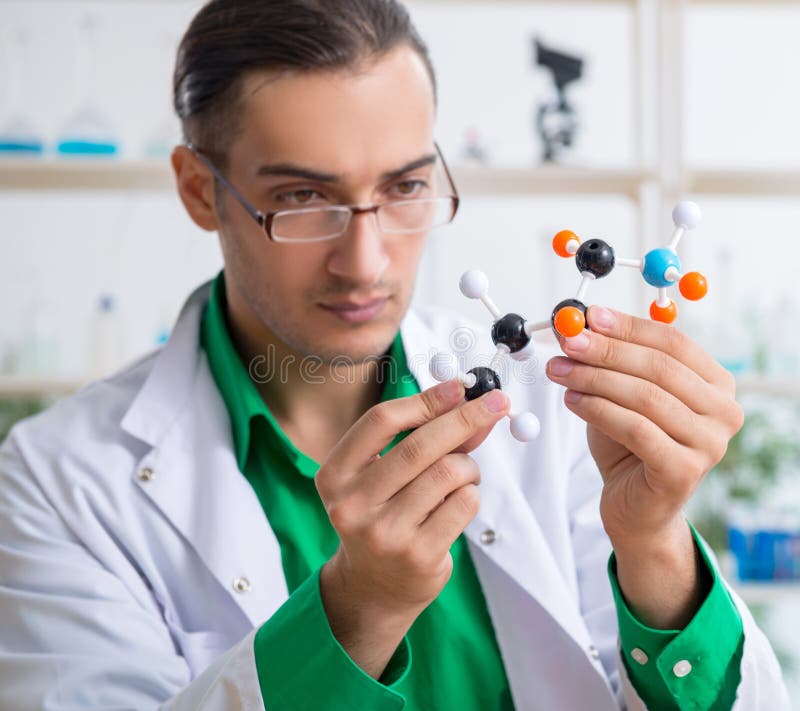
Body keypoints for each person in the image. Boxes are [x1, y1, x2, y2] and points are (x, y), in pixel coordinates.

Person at [0, 1, 790, 709]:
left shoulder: (548, 396)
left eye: (407, 187)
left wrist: (652, 543)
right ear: (199, 190)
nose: (366, 262)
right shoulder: (58, 480)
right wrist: (355, 611)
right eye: (303, 199)